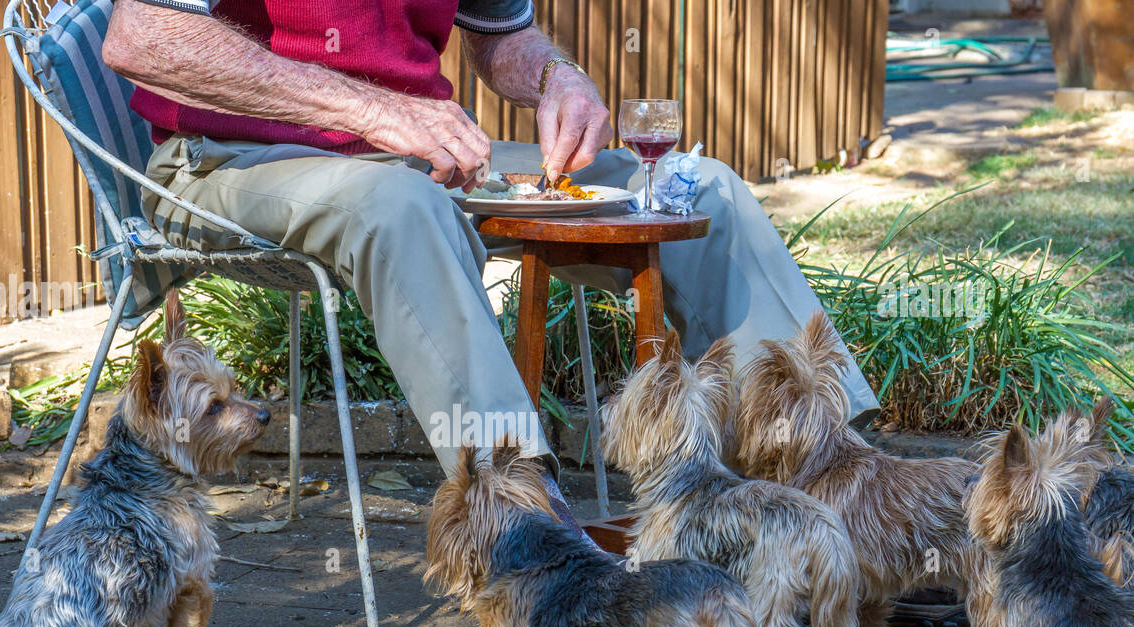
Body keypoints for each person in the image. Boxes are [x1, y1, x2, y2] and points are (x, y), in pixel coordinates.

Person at [101, 0, 878, 527]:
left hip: (417, 156)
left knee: (700, 189)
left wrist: (556, 75)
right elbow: (141, 38)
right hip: (228, 162)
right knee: (403, 208)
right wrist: (371, 108)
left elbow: (500, 38)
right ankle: (524, 536)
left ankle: (842, 503)